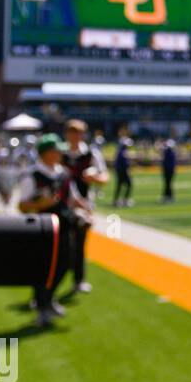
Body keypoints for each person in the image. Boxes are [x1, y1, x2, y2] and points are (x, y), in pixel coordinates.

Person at [16, 134, 89, 328]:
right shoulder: (32, 175)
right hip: (41, 228)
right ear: (46, 153)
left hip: (63, 226)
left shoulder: (63, 173)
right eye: (56, 150)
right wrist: (39, 204)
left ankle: (49, 299)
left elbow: (73, 197)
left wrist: (84, 208)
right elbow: (22, 205)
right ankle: (42, 306)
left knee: (65, 264)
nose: (60, 154)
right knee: (43, 268)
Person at [61, 119, 108, 294]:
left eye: (78, 133)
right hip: (62, 205)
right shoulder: (60, 154)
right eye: (72, 132)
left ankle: (78, 279)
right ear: (67, 134)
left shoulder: (91, 154)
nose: (75, 136)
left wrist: (94, 178)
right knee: (63, 244)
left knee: (80, 243)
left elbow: (104, 177)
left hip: (84, 205)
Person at [112, 129, 133, 207]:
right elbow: (124, 163)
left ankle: (116, 200)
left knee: (119, 185)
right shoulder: (123, 151)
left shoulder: (120, 150)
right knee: (129, 184)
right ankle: (125, 200)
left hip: (119, 170)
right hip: (122, 170)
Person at [161, 138, 177, 203]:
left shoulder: (168, 152)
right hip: (169, 170)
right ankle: (167, 196)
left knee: (168, 184)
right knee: (168, 184)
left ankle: (169, 197)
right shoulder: (169, 151)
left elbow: (168, 163)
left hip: (168, 170)